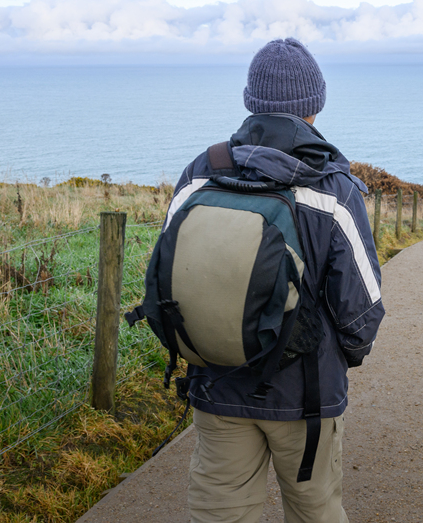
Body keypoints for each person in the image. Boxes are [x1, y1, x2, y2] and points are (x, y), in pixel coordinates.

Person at [163, 37, 384, 523]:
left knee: (219, 512)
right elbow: (362, 308)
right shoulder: (333, 188)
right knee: (315, 510)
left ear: (250, 101)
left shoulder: (201, 172)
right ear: (315, 104)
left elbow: (171, 273)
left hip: (216, 379)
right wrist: (340, 357)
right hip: (305, 395)